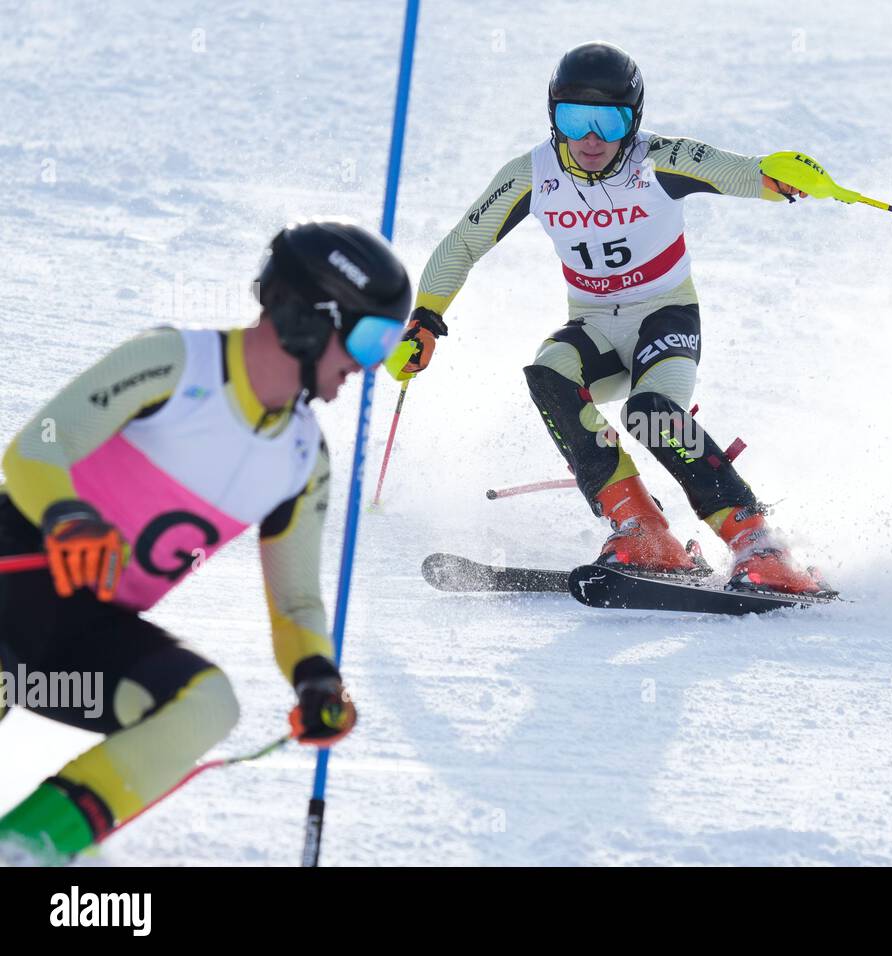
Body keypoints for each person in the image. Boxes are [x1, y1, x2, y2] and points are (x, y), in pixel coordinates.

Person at [0, 220, 411, 864]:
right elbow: (33, 451)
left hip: (81, 641)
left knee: (206, 705)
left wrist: (317, 680)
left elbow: (297, 601)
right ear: (306, 317)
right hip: (13, 576)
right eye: (370, 337)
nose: (371, 364)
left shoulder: (303, 459)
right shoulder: (173, 363)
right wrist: (69, 517)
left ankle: (28, 848)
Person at [392, 40, 831, 596]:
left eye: (609, 119)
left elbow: (745, 174)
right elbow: (461, 245)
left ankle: (759, 543)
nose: (592, 137)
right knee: (548, 373)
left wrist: (784, 176)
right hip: (596, 323)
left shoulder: (659, 158)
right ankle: (641, 529)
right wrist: (425, 320)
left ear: (634, 120)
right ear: (555, 118)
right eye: (575, 118)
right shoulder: (532, 174)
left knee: (649, 412)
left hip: (664, 317)